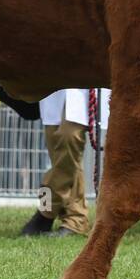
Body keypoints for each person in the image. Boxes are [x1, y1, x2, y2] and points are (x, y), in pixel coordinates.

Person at [19, 88, 107, 238]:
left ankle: (45, 211)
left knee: (69, 139)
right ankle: (75, 219)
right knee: (62, 158)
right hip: (53, 87)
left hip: (83, 86)